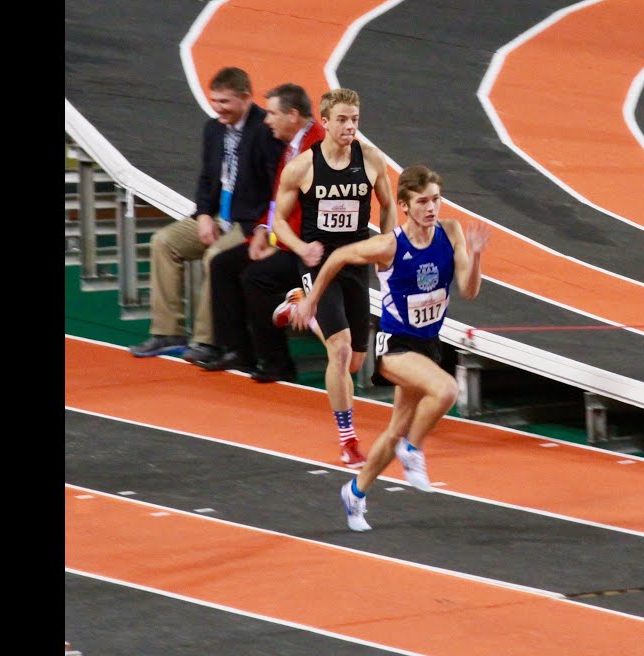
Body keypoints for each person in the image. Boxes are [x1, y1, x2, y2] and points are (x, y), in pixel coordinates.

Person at [289, 165, 490, 531]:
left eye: (436, 200)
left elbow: (470, 290)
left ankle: (356, 491)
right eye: (423, 202)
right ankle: (413, 451)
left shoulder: (451, 232)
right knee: (446, 390)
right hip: (395, 346)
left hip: (429, 345)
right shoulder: (389, 245)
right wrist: (311, 301)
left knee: (395, 427)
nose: (432, 208)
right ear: (404, 205)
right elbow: (336, 258)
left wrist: (475, 257)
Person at [269, 88, 396, 468]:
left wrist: (386, 247)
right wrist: (299, 247)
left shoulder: (371, 160)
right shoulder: (302, 168)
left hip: (355, 263)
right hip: (318, 263)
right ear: (324, 122)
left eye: (354, 119)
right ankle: (348, 439)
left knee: (356, 361)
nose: (349, 126)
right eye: (342, 119)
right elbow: (278, 221)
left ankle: (297, 305)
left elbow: (388, 206)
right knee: (339, 350)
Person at [128, 67, 283, 364]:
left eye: (224, 102)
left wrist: (264, 227)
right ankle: (168, 331)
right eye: (214, 100)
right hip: (216, 217)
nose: (217, 107)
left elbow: (276, 187)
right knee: (163, 242)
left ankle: (206, 340)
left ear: (245, 98)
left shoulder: (266, 131)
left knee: (216, 257)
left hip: (250, 222)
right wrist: (202, 215)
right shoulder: (213, 129)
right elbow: (206, 180)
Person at [198, 83, 325, 383]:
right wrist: (263, 231)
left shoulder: (318, 147)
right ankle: (239, 350)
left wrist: (283, 244)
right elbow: (277, 198)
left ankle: (278, 361)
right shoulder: (292, 145)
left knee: (257, 277)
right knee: (223, 265)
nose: (266, 120)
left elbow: (313, 211)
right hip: (282, 239)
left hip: (309, 248)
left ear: (293, 115)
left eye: (272, 114)